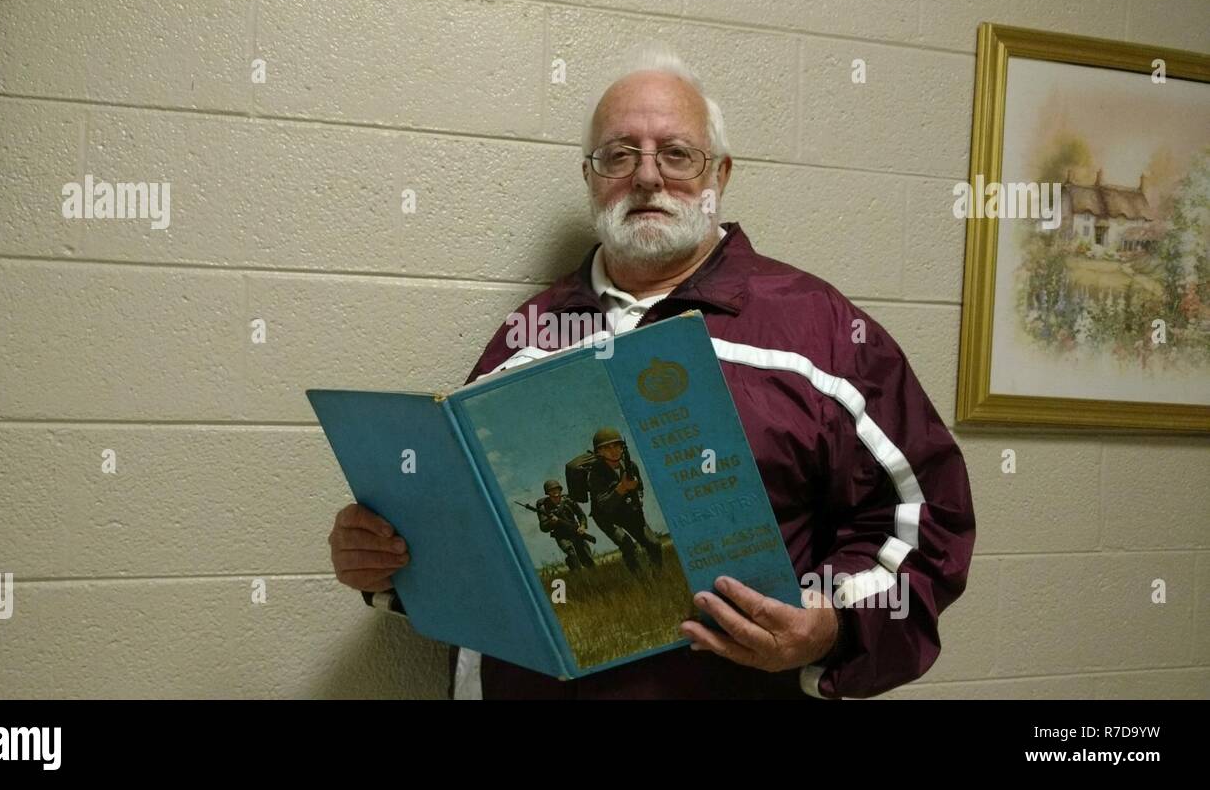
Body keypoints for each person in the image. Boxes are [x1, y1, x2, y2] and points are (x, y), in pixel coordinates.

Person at [329, 42, 975, 700]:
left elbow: (927, 520)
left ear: (719, 174)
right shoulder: (525, 340)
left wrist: (832, 620)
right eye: (618, 155)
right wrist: (388, 566)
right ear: (589, 177)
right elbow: (479, 547)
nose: (646, 176)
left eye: (676, 153)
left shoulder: (821, 331)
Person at [585, 428, 662, 572]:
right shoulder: (595, 474)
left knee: (654, 544)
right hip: (605, 516)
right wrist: (622, 487)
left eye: (617, 446)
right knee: (627, 545)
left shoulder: (631, 466)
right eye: (607, 448)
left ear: (622, 448)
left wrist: (638, 497)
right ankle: (641, 581)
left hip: (626, 511)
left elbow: (640, 488)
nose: (613, 451)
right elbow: (604, 505)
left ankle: (658, 579)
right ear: (599, 452)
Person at [533, 480, 596, 571]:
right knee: (571, 554)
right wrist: (552, 523)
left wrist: (582, 526)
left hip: (575, 531)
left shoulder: (568, 501)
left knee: (586, 557)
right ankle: (576, 574)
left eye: (557, 489)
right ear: (548, 492)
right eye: (551, 490)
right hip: (561, 535)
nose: (555, 492)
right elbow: (543, 527)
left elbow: (581, 515)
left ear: (560, 490)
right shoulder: (543, 507)